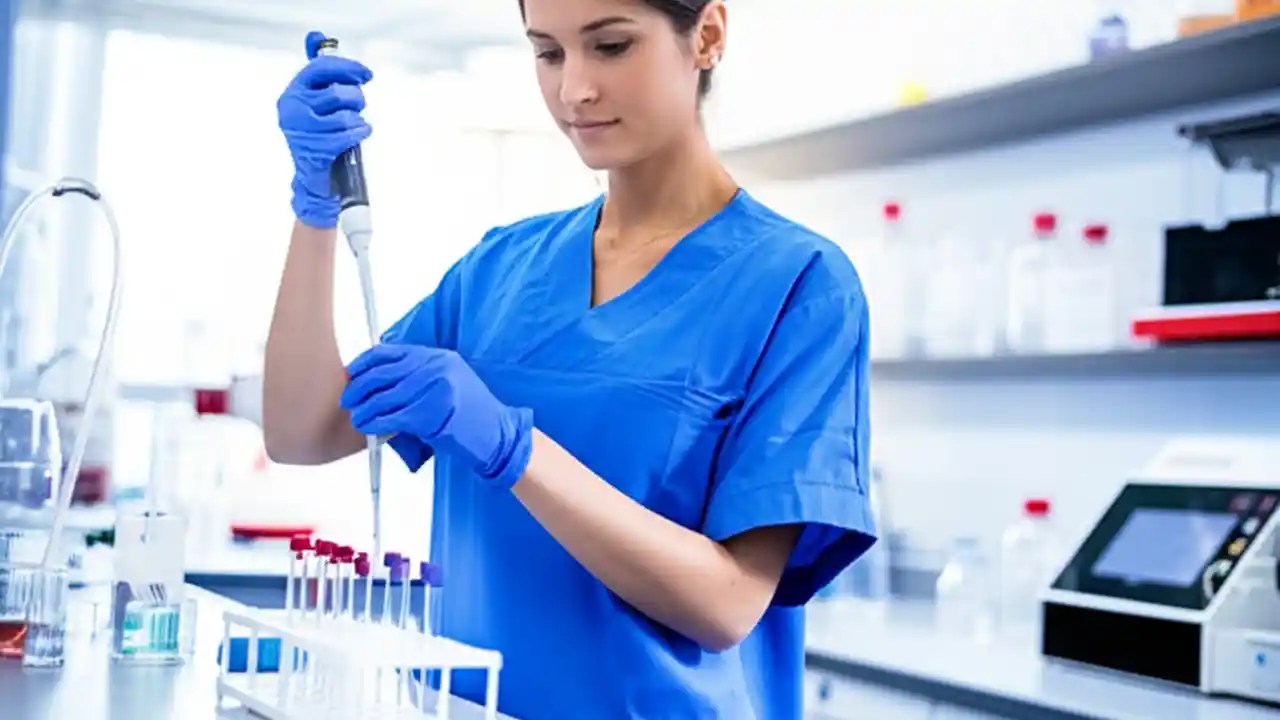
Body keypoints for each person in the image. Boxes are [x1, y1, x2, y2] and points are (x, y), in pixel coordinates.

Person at [264, 0, 876, 717]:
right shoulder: (500, 268)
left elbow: (729, 604)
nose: (573, 90)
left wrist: (514, 450)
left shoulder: (799, 285)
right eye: (548, 53)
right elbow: (301, 431)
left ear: (706, 35)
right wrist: (316, 207)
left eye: (610, 46)